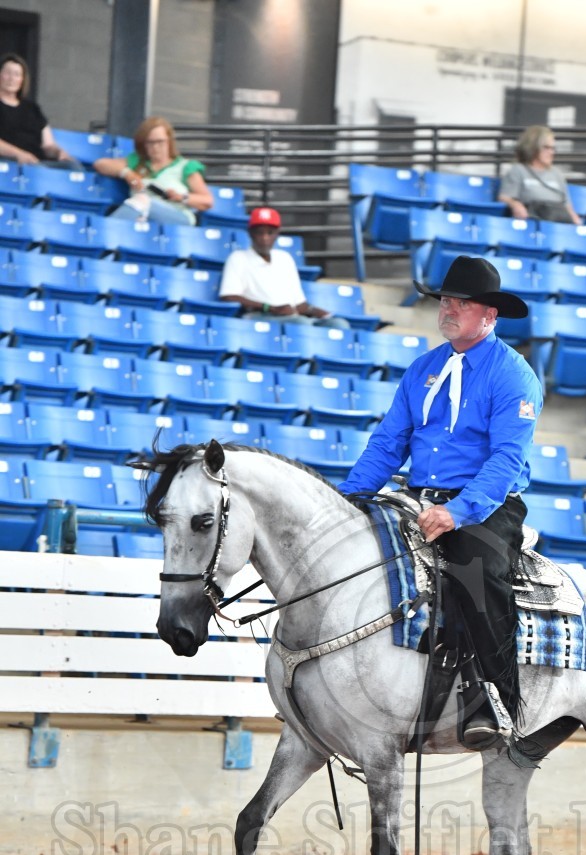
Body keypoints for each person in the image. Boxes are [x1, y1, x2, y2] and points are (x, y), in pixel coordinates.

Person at [339, 255, 542, 750]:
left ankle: (492, 699)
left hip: (485, 504)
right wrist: (348, 500)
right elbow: (390, 442)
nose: (448, 309)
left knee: (477, 572)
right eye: (446, 300)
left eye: (461, 302)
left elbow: (506, 460)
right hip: (417, 497)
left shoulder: (513, 375)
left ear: (489, 315)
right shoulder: (424, 369)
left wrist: (458, 512)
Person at [219, 206, 348, 327]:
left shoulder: (285, 258)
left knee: (339, 324)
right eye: (260, 233)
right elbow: (229, 296)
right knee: (301, 324)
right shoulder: (238, 258)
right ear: (250, 233)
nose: (265, 238)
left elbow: (299, 303)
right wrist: (269, 308)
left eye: (270, 233)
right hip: (258, 317)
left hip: (292, 317)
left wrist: (315, 311)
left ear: (277, 234)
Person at [93, 116, 213, 226]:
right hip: (143, 215)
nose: (155, 147)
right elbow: (100, 164)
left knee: (142, 200)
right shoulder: (137, 161)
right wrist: (128, 174)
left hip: (177, 216)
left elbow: (207, 201)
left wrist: (181, 197)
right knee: (139, 213)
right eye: (150, 143)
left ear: (169, 141)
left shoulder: (185, 166)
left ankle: (105, 232)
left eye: (160, 142)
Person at [0, 53, 79, 168]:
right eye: (8, 73)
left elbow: (48, 145)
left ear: (22, 80)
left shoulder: (32, 108)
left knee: (73, 167)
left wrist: (58, 152)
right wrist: (19, 154)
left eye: (17, 74)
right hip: (10, 162)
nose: (12, 79)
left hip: (38, 162)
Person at [498, 125, 581, 225]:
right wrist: (515, 204)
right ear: (533, 147)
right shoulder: (518, 170)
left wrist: (575, 220)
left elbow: (567, 205)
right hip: (532, 222)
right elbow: (505, 197)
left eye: (553, 148)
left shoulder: (557, 174)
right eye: (546, 147)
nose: (551, 152)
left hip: (558, 221)